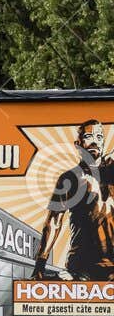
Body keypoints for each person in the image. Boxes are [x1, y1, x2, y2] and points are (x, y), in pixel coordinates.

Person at [35, 120, 114, 281]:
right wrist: (40, 264)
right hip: (82, 268)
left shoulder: (111, 171)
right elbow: (53, 223)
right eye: (88, 136)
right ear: (78, 144)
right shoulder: (70, 178)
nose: (94, 141)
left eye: (99, 137)